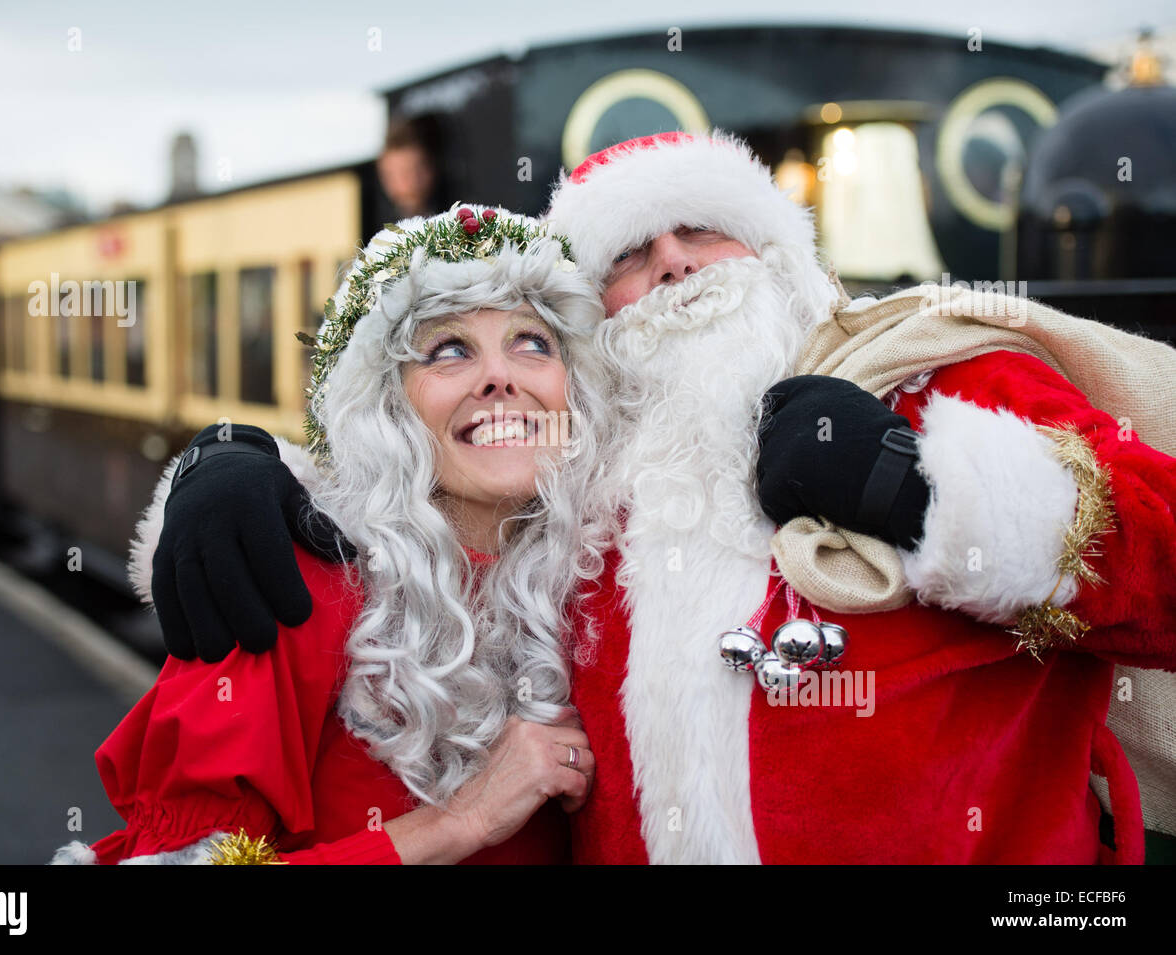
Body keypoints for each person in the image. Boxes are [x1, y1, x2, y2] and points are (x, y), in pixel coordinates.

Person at [134, 133, 1176, 864]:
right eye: (628, 254)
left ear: (779, 256)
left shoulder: (925, 379)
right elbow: (406, 493)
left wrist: (920, 489)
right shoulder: (584, 485)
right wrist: (231, 464)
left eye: (703, 230)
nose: (672, 263)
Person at [52, 205, 614, 864]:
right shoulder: (291, 584)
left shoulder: (607, 577)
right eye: (450, 349)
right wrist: (461, 820)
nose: (501, 375)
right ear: (386, 406)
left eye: (533, 342)